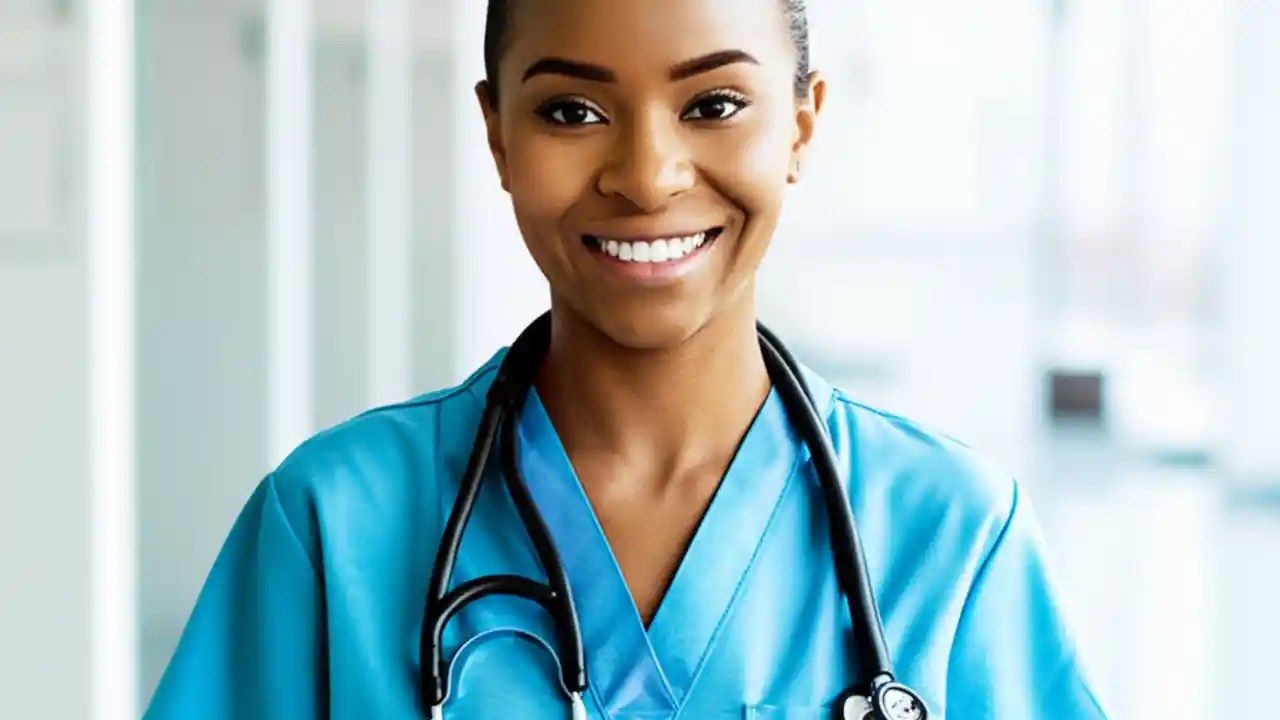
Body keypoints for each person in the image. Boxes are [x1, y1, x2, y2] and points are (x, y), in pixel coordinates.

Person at [145, 0, 1109, 717]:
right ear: (497, 134)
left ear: (801, 127)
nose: (648, 176)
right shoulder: (335, 526)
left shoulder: (949, 537)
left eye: (716, 103)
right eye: (572, 111)